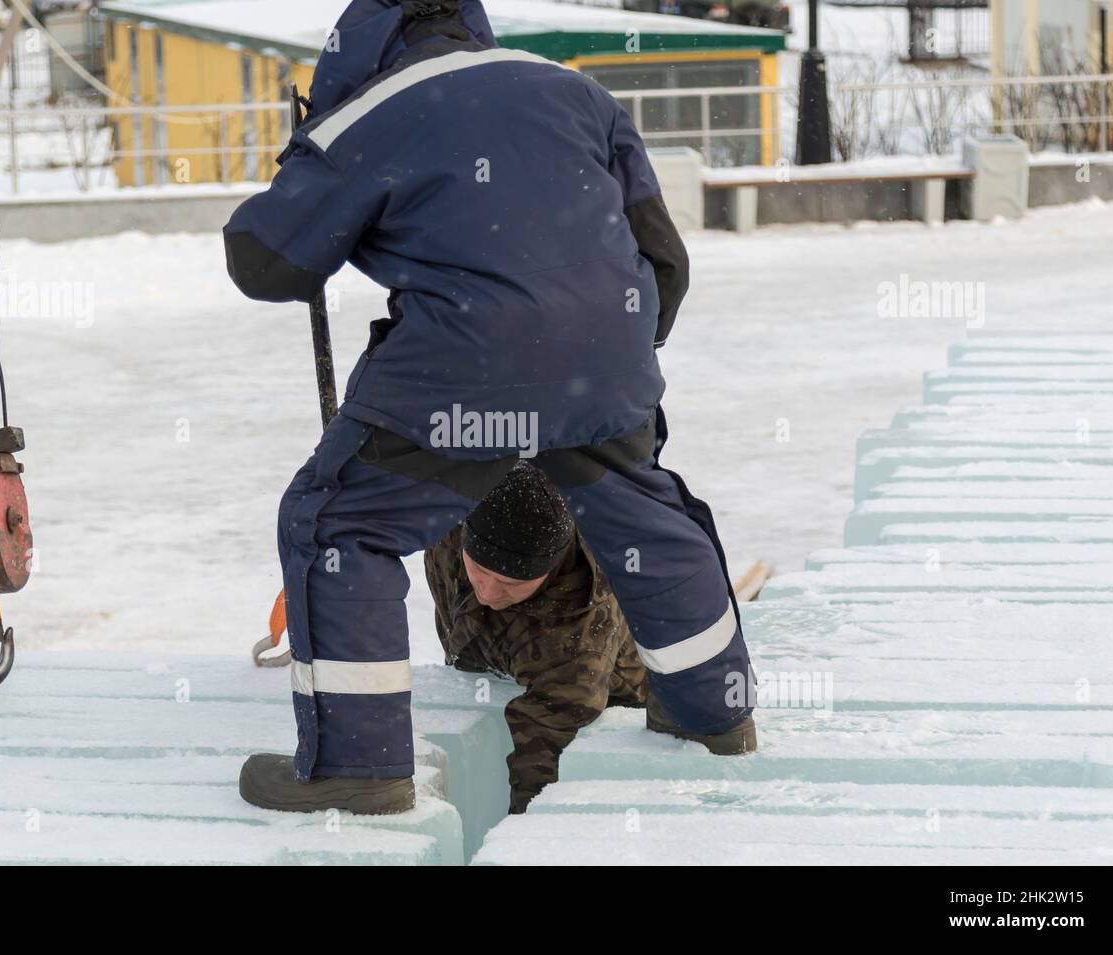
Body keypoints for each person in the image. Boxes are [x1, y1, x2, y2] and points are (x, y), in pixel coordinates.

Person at [227, 0, 756, 815]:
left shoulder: (369, 111)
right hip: (605, 355)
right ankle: (715, 714)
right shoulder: (573, 91)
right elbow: (665, 260)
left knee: (335, 523)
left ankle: (356, 765)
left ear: (355, 50)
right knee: (644, 510)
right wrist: (599, 368)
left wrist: (308, 161)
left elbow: (264, 259)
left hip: (461, 365)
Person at [425, 462, 755, 815]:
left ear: (548, 569)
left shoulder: (577, 644)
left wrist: (523, 836)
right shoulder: (449, 521)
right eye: (478, 570)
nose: (488, 593)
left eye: (511, 584)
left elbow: (542, 757)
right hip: (491, 660)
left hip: (610, 693)